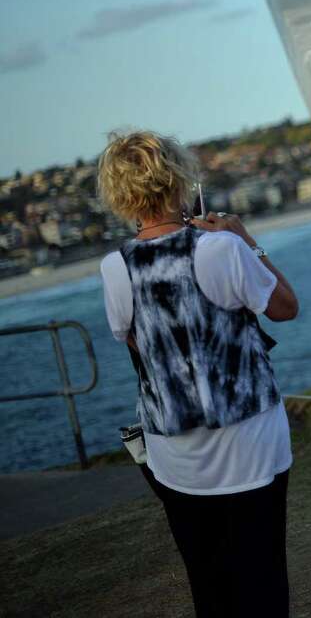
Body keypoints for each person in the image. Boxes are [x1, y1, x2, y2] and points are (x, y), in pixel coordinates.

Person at [98, 130, 299, 617]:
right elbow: (286, 308)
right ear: (178, 181)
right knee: (263, 576)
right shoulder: (221, 249)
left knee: (209, 585)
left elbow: (134, 342)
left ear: (121, 196)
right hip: (250, 442)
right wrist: (244, 239)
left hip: (175, 452)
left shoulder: (114, 267)